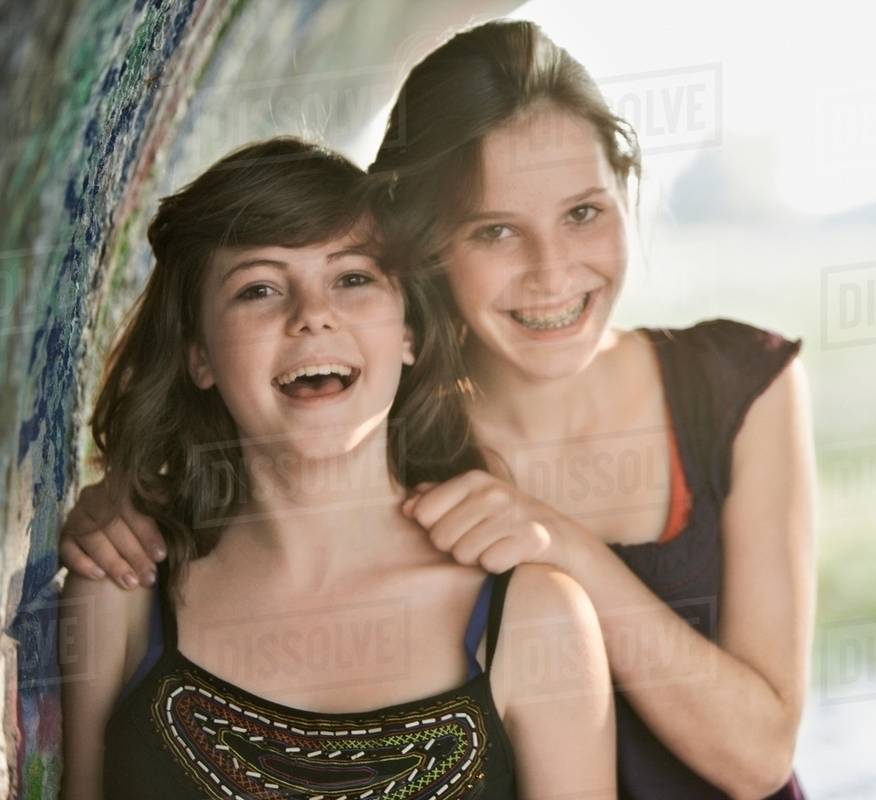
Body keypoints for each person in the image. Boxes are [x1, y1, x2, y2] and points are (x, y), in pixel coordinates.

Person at [60, 19, 817, 800]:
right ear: (425, 250)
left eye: (583, 212)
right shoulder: (401, 426)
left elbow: (760, 756)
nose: (552, 270)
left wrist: (564, 546)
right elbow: (278, 452)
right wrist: (124, 498)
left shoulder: (734, 384)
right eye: (496, 229)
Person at [57, 137, 615, 800]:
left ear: (408, 331)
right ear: (198, 354)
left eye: (352, 278)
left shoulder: (537, 618)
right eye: (258, 289)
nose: (313, 316)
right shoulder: (118, 591)